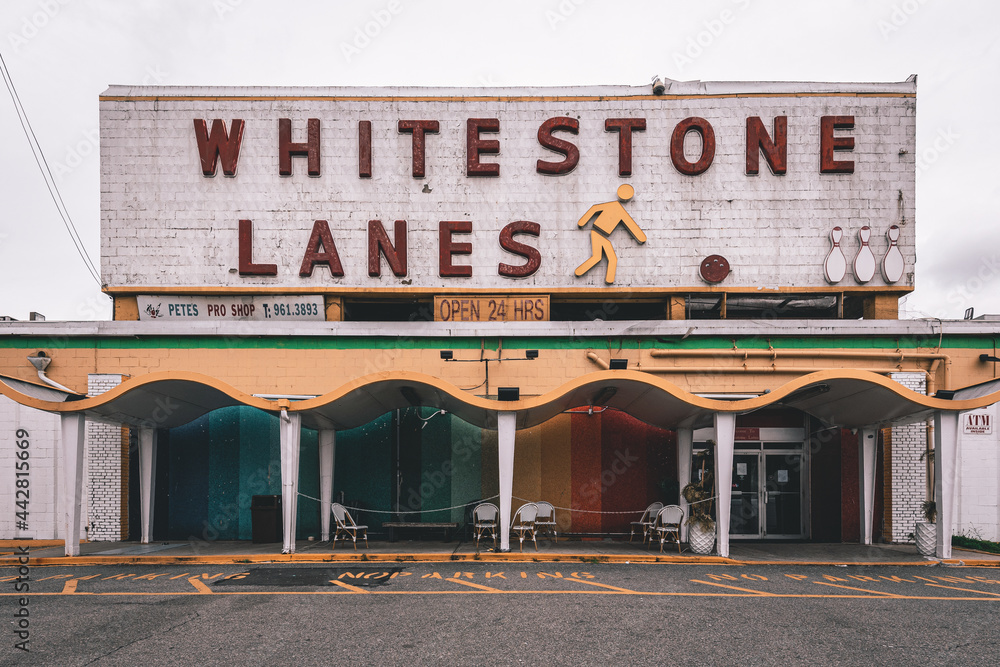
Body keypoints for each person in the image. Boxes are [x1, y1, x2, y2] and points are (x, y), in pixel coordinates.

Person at [574, 184, 646, 284]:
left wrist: (583, 222)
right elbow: (633, 228)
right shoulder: (619, 210)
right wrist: (582, 222)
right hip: (598, 234)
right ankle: (582, 272)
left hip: (599, 234)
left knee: (604, 258)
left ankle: (606, 278)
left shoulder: (614, 207)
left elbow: (594, 209)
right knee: (606, 258)